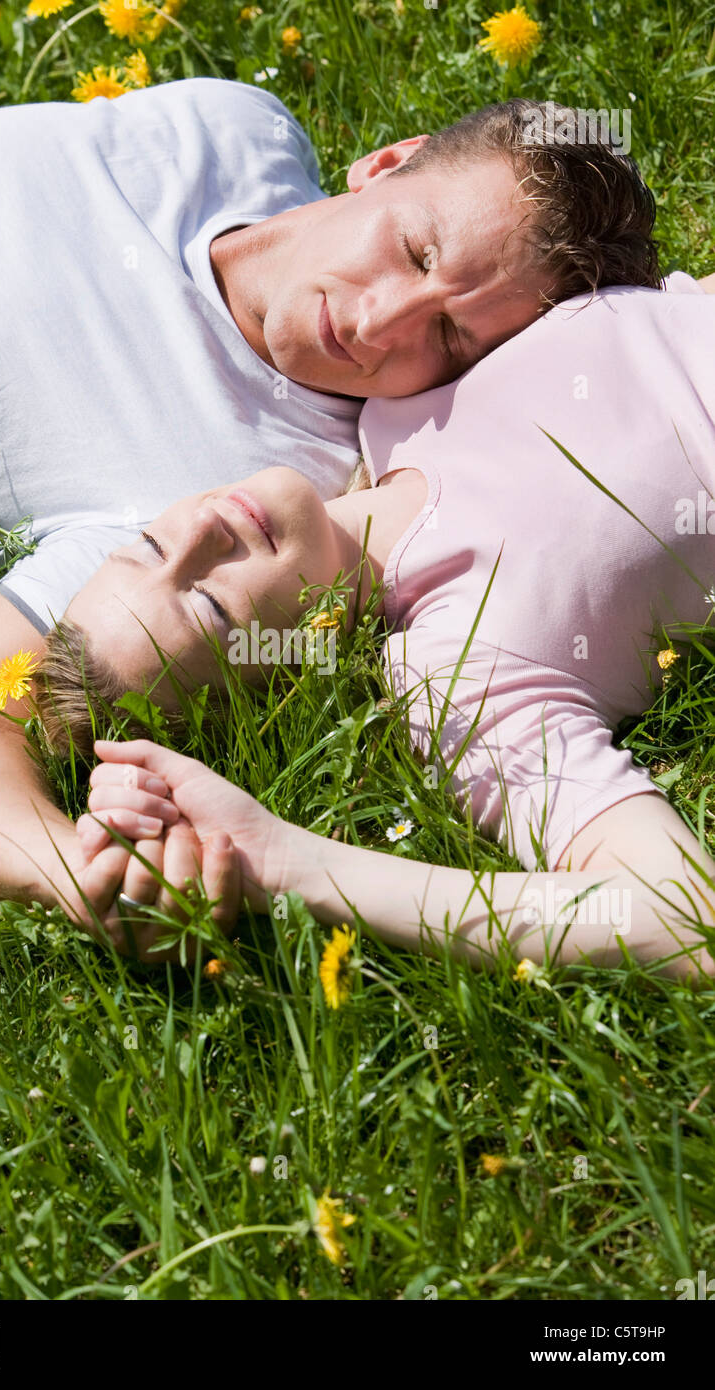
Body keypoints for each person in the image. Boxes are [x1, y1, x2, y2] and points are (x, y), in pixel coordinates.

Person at [0, 89, 661, 918]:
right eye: (416, 252)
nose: (378, 323)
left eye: (450, 340)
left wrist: (84, 877)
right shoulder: (243, 123)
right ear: (386, 163)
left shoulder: (223, 506)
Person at [48, 273, 715, 980]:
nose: (198, 535)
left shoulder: (390, 392)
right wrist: (283, 860)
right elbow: (682, 914)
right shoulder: (456, 673)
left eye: (149, 549)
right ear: (280, 684)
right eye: (209, 604)